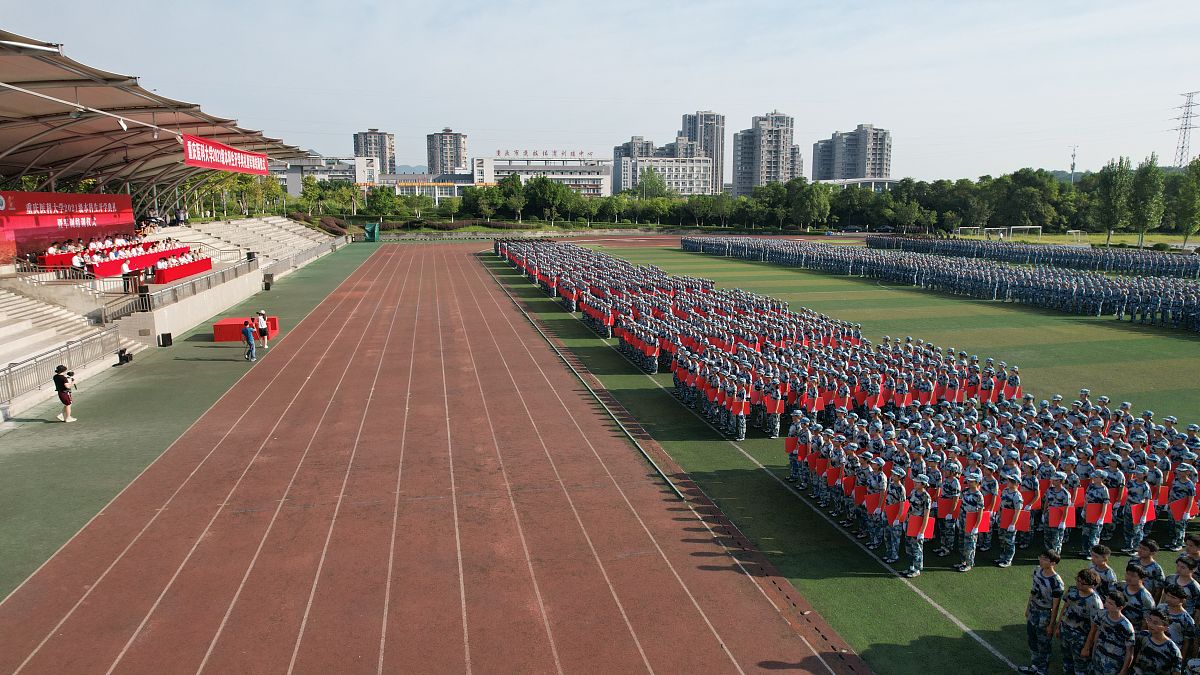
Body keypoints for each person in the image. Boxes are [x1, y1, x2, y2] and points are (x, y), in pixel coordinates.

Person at [1020, 549, 1064, 674]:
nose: (1041, 560)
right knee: (1032, 639)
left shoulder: (1057, 582)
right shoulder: (1037, 570)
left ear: (1053, 563)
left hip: (1045, 613)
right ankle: (1034, 665)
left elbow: (1055, 606)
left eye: (1045, 559)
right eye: (1041, 557)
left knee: (1043, 643)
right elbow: (1033, 591)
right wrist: (1028, 608)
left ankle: (1042, 670)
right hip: (1034, 609)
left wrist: (1051, 624)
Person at [1056, 568, 1104, 675]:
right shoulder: (1072, 590)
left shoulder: (1095, 602)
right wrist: (1059, 626)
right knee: (1067, 663)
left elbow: (1094, 627)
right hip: (1066, 632)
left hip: (1080, 640)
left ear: (1092, 585)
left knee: (1080, 669)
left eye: (1083, 583)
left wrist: (1087, 647)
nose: (1079, 584)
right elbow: (1065, 608)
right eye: (1077, 580)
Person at [1081, 591, 1136, 675]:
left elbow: (1129, 652)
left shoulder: (1127, 627)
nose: (1106, 604)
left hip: (1113, 664)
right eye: (1106, 601)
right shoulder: (1101, 614)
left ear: (1120, 607)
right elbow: (1097, 632)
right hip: (1098, 657)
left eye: (1110, 603)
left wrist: (1123, 671)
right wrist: (1093, 653)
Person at [1129, 609, 1184, 675]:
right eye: (1149, 620)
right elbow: (1131, 654)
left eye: (1155, 623)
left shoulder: (1173, 650)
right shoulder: (1143, 636)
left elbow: (1176, 673)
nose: (1150, 625)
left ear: (1165, 628)